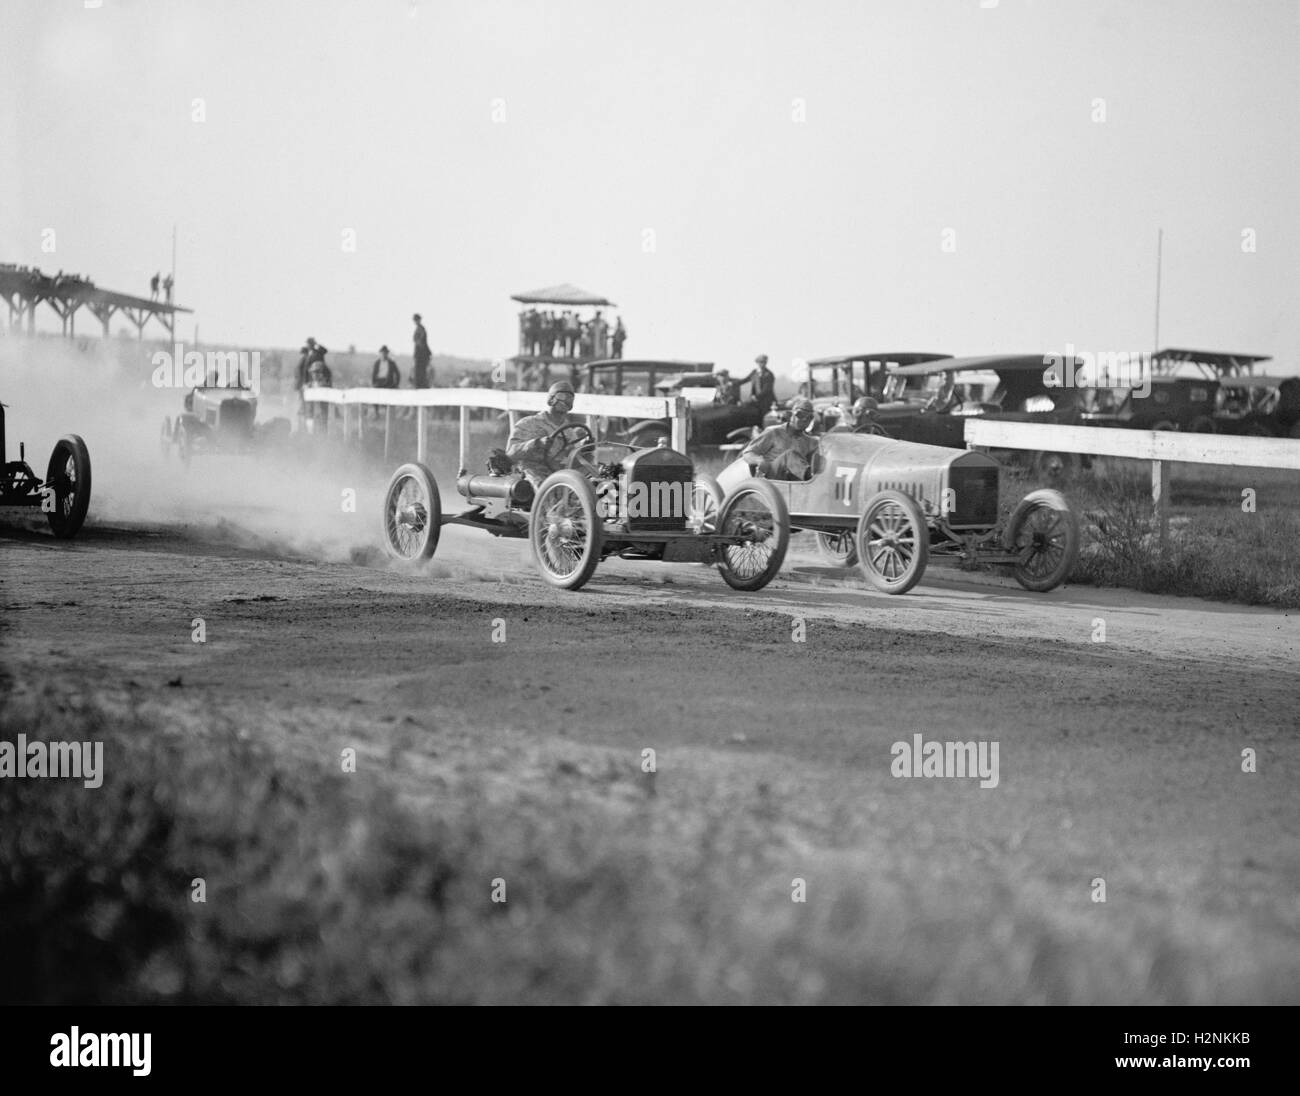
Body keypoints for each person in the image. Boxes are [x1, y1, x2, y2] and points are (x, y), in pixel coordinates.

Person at [506, 380, 587, 486]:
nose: (565, 401)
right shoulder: (529, 423)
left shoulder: (570, 432)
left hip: (559, 472)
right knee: (542, 484)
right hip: (530, 469)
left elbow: (572, 461)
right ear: (551, 399)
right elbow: (511, 453)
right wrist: (537, 443)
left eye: (569, 398)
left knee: (591, 482)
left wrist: (585, 451)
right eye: (561, 396)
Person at [741, 397, 820, 480]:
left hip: (794, 481)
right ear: (791, 415)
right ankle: (811, 478)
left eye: (809, 417)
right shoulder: (773, 432)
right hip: (772, 478)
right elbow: (748, 453)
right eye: (800, 415)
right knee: (789, 456)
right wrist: (759, 460)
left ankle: (815, 479)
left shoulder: (810, 442)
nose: (804, 420)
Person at [412, 313, 432, 388]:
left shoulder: (421, 329)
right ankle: (419, 384)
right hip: (420, 352)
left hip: (421, 353)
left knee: (421, 370)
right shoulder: (419, 328)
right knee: (419, 370)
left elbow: (421, 342)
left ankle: (420, 385)